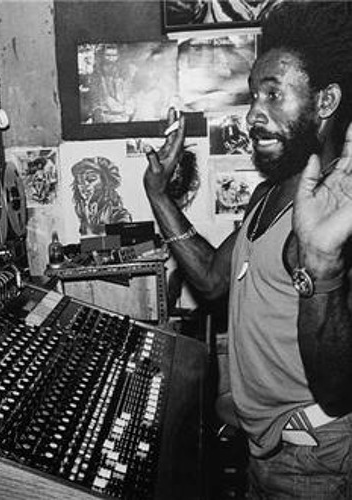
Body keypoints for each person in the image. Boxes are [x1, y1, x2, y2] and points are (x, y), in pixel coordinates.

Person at [143, 3, 352, 498]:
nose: (254, 113)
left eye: (274, 94)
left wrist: (323, 267)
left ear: (325, 101)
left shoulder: (339, 211)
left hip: (316, 462)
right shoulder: (267, 194)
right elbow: (213, 278)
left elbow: (339, 388)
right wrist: (158, 194)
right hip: (268, 454)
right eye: (254, 95)